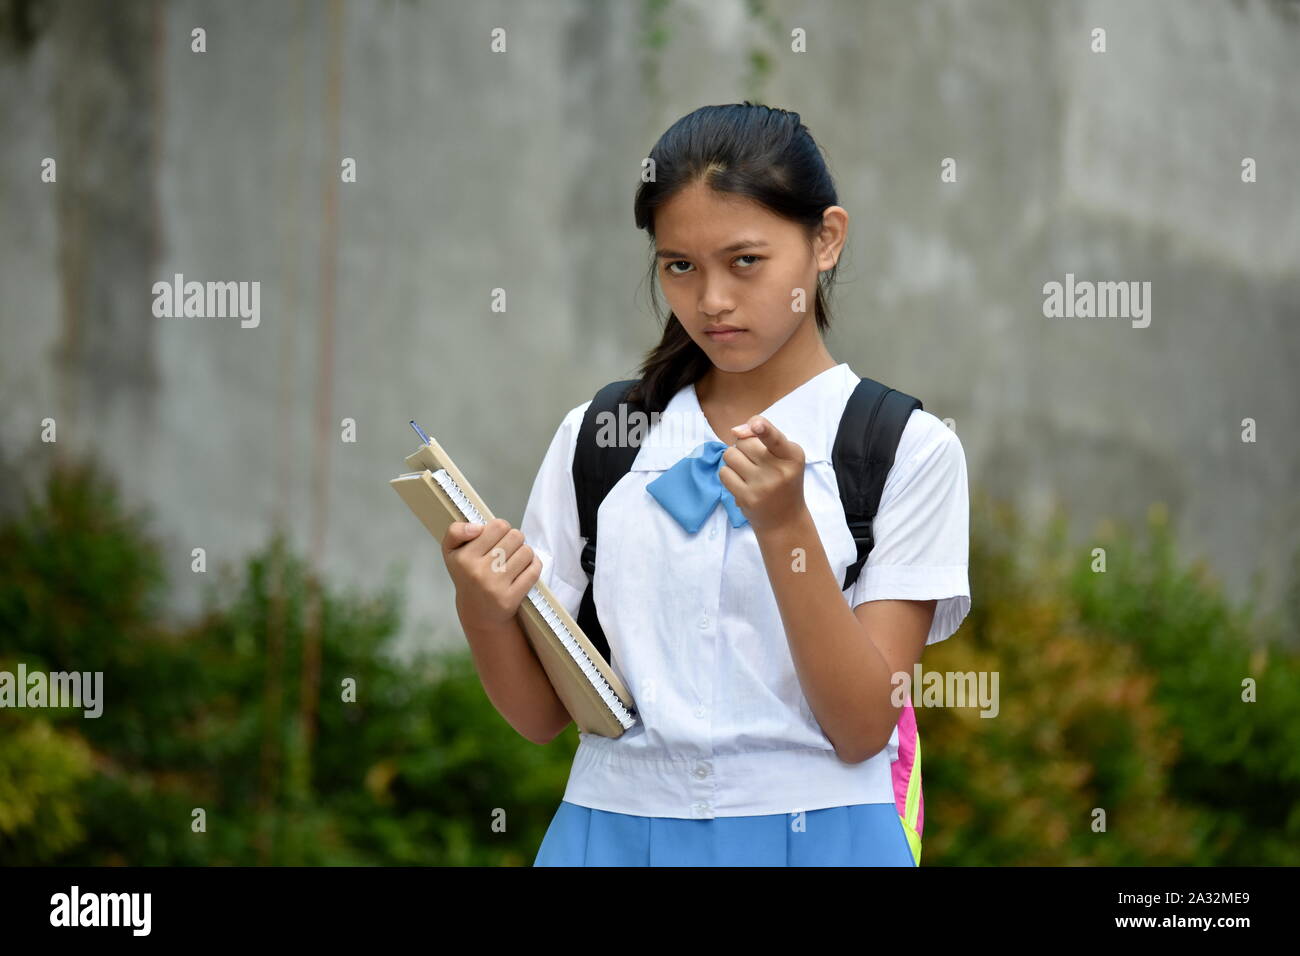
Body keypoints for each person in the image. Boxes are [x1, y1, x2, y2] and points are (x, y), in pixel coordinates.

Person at [442, 102, 970, 866]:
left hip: (819, 836)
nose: (712, 300)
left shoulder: (904, 449)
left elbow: (861, 724)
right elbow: (541, 718)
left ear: (826, 239)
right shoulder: (599, 437)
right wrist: (482, 610)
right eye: (679, 266)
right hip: (609, 832)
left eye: (745, 261)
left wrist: (786, 527)